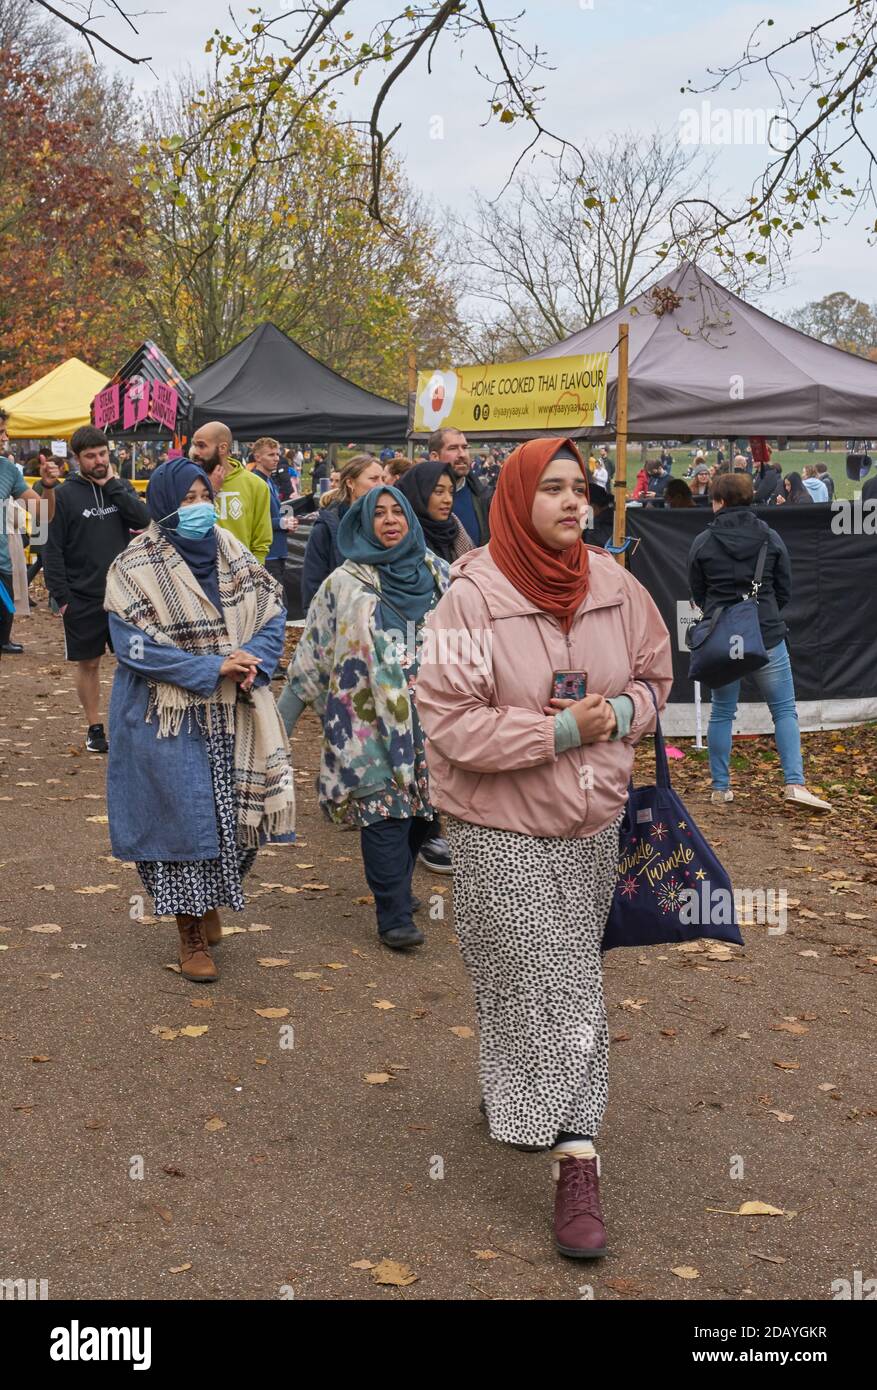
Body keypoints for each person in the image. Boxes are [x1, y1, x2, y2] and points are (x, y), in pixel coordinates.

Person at [415, 438, 672, 1258]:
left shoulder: (617, 585)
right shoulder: (467, 598)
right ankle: (576, 1162)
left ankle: (516, 1089)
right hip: (496, 825)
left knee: (541, 973)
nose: (572, 502)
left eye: (581, 489)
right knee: (551, 979)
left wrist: (622, 715)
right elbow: (448, 723)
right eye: (553, 488)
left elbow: (656, 677)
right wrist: (559, 728)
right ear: (516, 498)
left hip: (591, 822)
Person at [104, 459, 295, 982]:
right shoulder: (134, 565)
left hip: (234, 712)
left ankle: (210, 900)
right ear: (164, 505)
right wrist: (213, 667)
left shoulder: (232, 552)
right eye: (186, 499)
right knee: (181, 828)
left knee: (236, 827)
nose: (198, 507)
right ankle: (189, 932)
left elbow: (271, 611)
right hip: (166, 720)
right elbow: (134, 647)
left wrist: (250, 660)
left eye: (202, 494)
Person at [279, 486, 449, 950]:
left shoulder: (440, 574)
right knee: (383, 810)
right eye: (379, 514)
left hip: (431, 720)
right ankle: (392, 913)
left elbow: (473, 642)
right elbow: (311, 657)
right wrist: (277, 730)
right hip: (365, 724)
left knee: (422, 810)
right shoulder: (344, 583)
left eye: (398, 511)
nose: (390, 520)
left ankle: (398, 886)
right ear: (362, 523)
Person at [688, 472, 831, 812]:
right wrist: (765, 614)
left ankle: (720, 788)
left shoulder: (703, 541)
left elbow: (698, 592)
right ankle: (794, 784)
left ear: (719, 501)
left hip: (721, 637)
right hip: (766, 631)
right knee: (784, 710)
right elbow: (785, 588)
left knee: (722, 712)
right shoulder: (770, 536)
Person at [43, 426, 149, 749]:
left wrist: (113, 486)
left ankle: (134, 724)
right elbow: (50, 548)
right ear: (77, 459)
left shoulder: (120, 488)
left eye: (102, 453)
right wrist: (62, 598)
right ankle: (95, 728)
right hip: (82, 598)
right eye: (90, 456)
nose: (99, 460)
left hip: (125, 596)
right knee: (89, 664)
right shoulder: (62, 495)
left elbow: (142, 518)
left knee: (135, 662)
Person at [0, 412, 61, 652]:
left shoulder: (8, 470)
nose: (5, 437)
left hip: (2, 564)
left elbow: (44, 514)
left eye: (5, 431)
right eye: (1, 432)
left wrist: (48, 487)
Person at [300, 454, 384, 613]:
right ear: (351, 483)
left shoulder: (388, 524)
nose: (381, 485)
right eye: (374, 479)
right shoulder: (326, 528)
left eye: (383, 479)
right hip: (340, 621)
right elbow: (313, 585)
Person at [190, 421, 272, 564]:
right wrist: (210, 490)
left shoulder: (256, 485)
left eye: (201, 446)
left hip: (240, 574)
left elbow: (261, 540)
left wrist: (255, 574)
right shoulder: (188, 480)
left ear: (222, 448)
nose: (195, 452)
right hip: (197, 570)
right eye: (194, 445)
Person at [395, 460, 474, 563]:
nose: (448, 500)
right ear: (418, 494)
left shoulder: (455, 531)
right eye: (439, 492)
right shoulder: (402, 539)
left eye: (451, 492)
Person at [250, 436, 297, 599]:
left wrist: (286, 523)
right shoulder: (254, 482)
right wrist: (282, 523)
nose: (276, 458)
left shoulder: (269, 481)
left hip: (277, 551)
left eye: (277, 454)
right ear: (257, 457)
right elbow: (252, 522)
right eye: (271, 455)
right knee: (275, 606)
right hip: (266, 554)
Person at [429, 428, 490, 545]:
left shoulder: (484, 497)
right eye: (453, 448)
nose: (462, 454)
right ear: (434, 457)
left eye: (465, 447)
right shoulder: (418, 499)